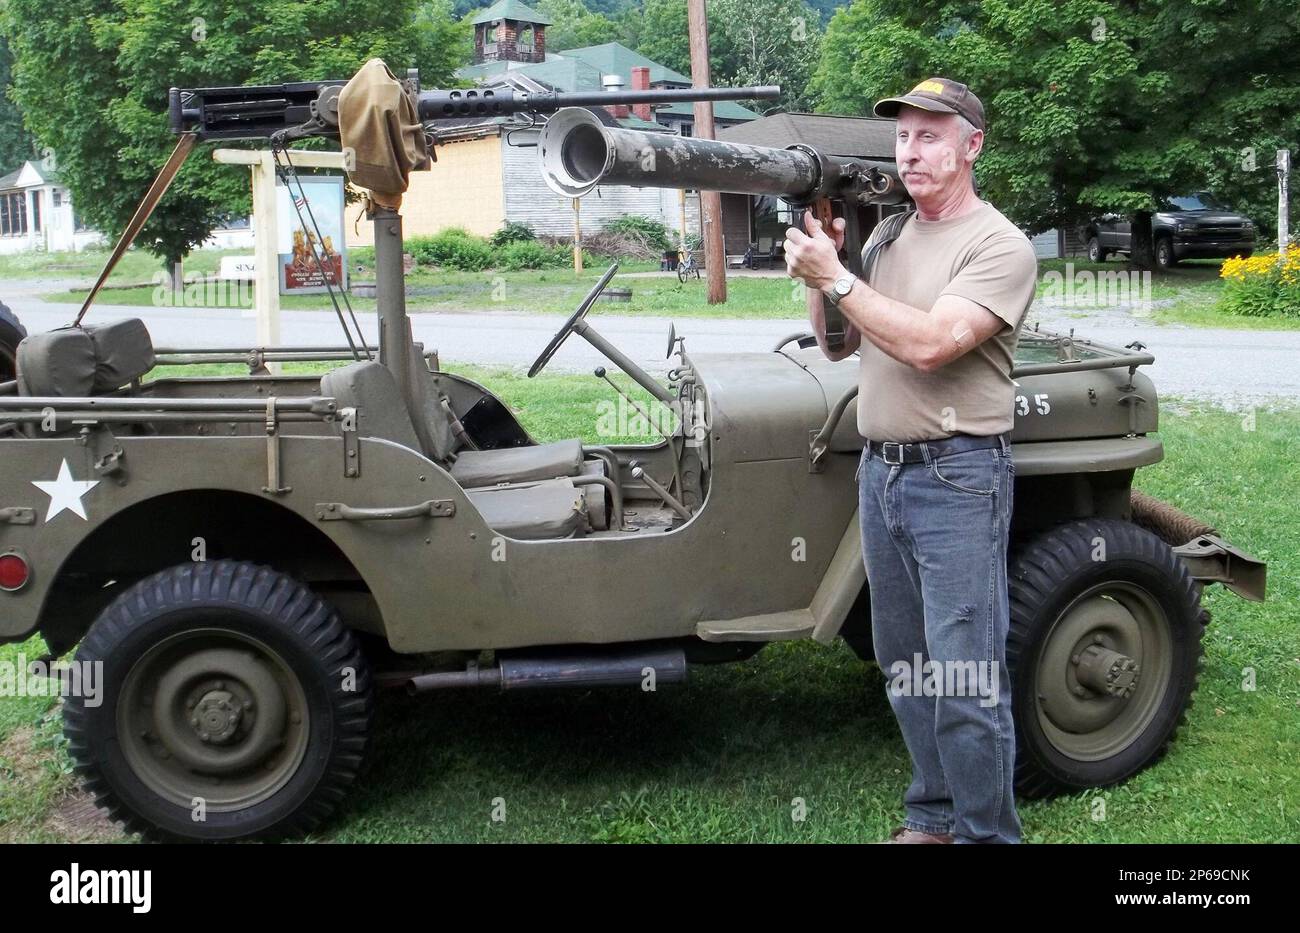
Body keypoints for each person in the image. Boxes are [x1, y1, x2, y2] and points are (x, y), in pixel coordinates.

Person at [783, 77, 1038, 844]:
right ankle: (931, 815)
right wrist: (824, 277)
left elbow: (930, 344)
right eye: (903, 134)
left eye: (931, 133)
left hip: (958, 477)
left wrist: (838, 277)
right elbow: (840, 343)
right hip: (882, 472)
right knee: (906, 665)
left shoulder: (999, 244)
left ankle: (987, 834)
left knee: (965, 679)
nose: (911, 148)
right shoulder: (890, 236)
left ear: (972, 146)